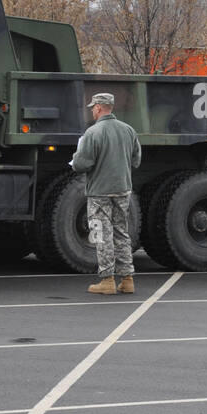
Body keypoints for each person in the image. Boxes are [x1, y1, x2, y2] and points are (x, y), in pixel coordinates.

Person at [70, 92, 142, 295]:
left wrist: (75, 158)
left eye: (93, 107)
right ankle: (127, 279)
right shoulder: (128, 130)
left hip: (100, 192)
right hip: (122, 190)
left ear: (100, 108)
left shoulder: (93, 133)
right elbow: (136, 160)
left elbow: (81, 164)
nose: (92, 110)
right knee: (121, 232)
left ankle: (107, 280)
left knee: (101, 234)